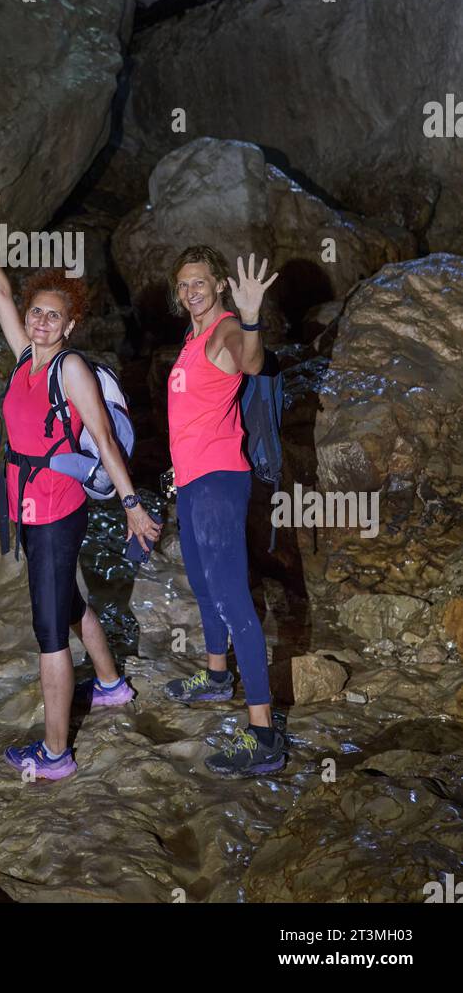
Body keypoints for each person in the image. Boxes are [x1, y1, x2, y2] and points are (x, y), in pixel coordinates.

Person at [0, 194, 160, 782]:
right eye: (37, 312)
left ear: (71, 324)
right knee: (67, 595)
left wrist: (131, 505)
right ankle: (110, 685)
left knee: (49, 633)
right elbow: (0, 292)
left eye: (54, 316)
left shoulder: (68, 368)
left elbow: (104, 440)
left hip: (57, 508)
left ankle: (55, 756)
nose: (41, 321)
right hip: (29, 505)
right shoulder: (26, 357)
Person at [164, 246, 286, 777]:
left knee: (233, 596)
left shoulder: (226, 331)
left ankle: (263, 734)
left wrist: (253, 313)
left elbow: (251, 360)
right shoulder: (191, 340)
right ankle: (217, 676)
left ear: (217, 286)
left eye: (199, 282)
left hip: (219, 480)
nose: (190, 291)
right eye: (182, 285)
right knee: (202, 581)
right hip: (191, 483)